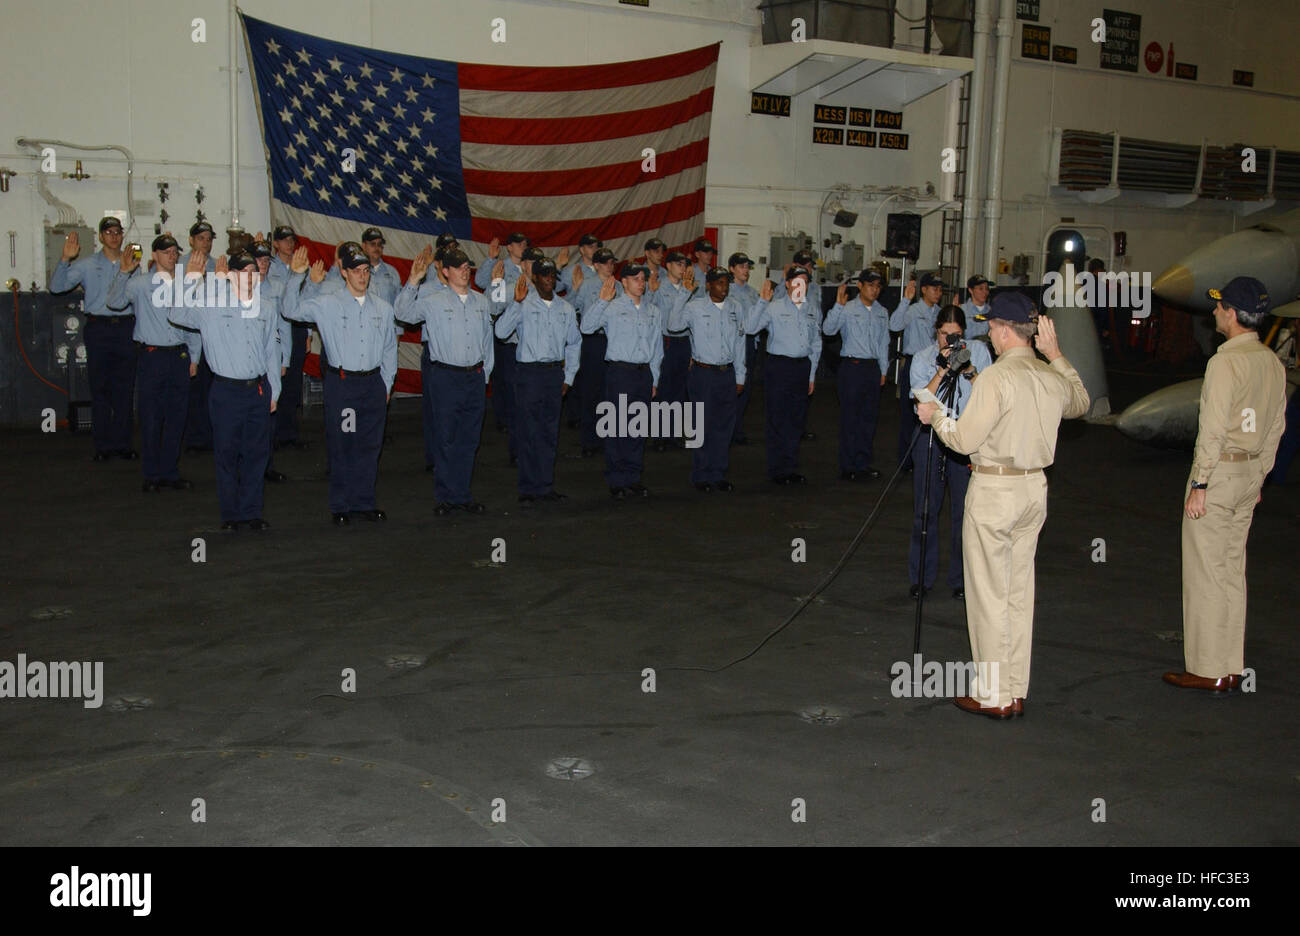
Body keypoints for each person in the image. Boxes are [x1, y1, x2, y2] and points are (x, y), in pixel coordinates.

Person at [916, 292, 1088, 718]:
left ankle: (994, 695)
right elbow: (1081, 403)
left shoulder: (996, 377)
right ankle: (1013, 688)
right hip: (1034, 490)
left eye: (991, 326)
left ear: (1007, 331)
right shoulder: (1050, 376)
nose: (987, 333)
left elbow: (963, 440)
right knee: (1017, 592)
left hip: (995, 490)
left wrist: (933, 415)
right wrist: (1057, 354)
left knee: (989, 595)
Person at [1165, 277, 1287, 693]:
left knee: (1204, 572)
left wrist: (1200, 482)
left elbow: (1212, 430)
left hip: (1218, 474)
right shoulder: (1271, 361)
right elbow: (1276, 426)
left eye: (1219, 306)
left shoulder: (1224, 362)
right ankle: (1230, 663)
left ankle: (1206, 668)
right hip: (1249, 473)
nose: (1214, 312)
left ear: (1232, 314)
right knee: (1232, 570)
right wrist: (1260, 477)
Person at [283, 244, 397, 525]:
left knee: (370, 445)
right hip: (344, 386)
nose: (362, 275)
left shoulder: (382, 309)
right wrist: (297, 277)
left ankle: (364, 502)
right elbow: (290, 310)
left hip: (372, 386)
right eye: (355, 270)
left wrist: (386, 385)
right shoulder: (328, 303)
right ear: (343, 272)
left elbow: (389, 350)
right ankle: (342, 504)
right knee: (345, 442)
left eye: (365, 270)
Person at [168, 251, 281, 532]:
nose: (250, 276)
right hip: (226, 391)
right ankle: (231, 515)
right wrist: (189, 280)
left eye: (254, 271)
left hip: (256, 389)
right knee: (227, 454)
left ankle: (252, 511)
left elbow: (271, 352)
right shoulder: (211, 305)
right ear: (230, 275)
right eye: (243, 271)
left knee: (257, 454)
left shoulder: (266, 307)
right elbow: (175, 313)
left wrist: (274, 392)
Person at [396, 248, 494, 515]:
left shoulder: (481, 302)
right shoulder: (433, 299)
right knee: (446, 437)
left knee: (469, 439)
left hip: (474, 376)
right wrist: (413, 282)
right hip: (446, 376)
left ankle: (462, 494)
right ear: (445, 271)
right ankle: (446, 497)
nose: (465, 270)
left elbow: (488, 342)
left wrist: (485, 374)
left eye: (467, 266)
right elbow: (403, 314)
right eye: (458, 266)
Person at [907, 306, 992, 600]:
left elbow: (991, 395)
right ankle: (921, 577)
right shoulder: (921, 358)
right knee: (926, 510)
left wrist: (968, 370)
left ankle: (961, 580)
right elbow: (920, 401)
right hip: (931, 436)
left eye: (956, 335)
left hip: (965, 436)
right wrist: (942, 369)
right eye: (945, 334)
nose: (950, 341)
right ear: (936, 331)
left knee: (965, 513)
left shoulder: (978, 353)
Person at [105, 234, 202, 492]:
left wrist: (194, 356)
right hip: (152, 355)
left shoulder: (187, 283)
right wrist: (123, 273)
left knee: (176, 416)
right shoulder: (140, 284)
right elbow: (113, 303)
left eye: (174, 251)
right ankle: (151, 474)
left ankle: (170, 472)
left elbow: (194, 324)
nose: (171, 255)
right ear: (155, 255)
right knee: (151, 416)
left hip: (179, 355)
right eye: (166, 251)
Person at [50, 217, 138, 461]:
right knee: (100, 388)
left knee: (124, 389)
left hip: (125, 328)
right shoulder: (87, 264)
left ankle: (123, 444)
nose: (113, 236)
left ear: (122, 235)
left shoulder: (132, 263)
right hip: (99, 329)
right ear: (100, 237)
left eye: (117, 232)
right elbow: (56, 287)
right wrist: (66, 259)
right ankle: (103, 446)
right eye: (108, 232)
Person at [497, 258, 582, 505]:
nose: (549, 279)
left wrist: (569, 376)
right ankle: (528, 487)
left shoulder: (565, 308)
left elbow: (575, 343)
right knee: (528, 431)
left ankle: (545, 486)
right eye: (544, 275)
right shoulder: (523, 304)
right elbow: (501, 333)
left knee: (548, 432)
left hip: (554, 374)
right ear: (534, 277)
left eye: (552, 275)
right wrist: (516, 304)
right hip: (529, 374)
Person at [580, 263, 662, 498]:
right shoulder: (612, 307)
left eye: (643, 279)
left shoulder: (653, 311)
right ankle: (617, 479)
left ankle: (633, 477)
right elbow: (587, 327)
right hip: (620, 372)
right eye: (635, 278)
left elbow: (657, 349)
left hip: (643, 372)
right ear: (623, 282)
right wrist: (602, 301)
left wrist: (654, 379)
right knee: (617, 427)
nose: (641, 282)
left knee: (637, 427)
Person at [667, 267, 746, 491]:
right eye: (719, 283)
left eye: (726, 283)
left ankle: (718, 473)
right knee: (701, 425)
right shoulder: (694, 307)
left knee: (724, 425)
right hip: (703, 373)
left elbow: (740, 344)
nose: (724, 287)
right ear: (708, 285)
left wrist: (740, 375)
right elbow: (673, 326)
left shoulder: (736, 308)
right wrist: (684, 293)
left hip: (727, 373)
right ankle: (701, 475)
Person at [746, 266, 821, 484]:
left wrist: (812, 374)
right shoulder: (774, 307)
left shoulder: (812, 309)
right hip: (779, 367)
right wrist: (761, 302)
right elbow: (750, 329)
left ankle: (790, 466)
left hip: (802, 367)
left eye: (805, 281)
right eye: (796, 280)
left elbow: (816, 343)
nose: (800, 285)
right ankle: (777, 468)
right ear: (787, 284)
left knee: (796, 420)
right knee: (777, 418)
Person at [823, 270, 891, 482]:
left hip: (871, 368)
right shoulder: (848, 308)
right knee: (850, 418)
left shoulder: (882, 312)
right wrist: (837, 307)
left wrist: (883, 369)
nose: (875, 290)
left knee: (868, 418)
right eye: (870, 285)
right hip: (852, 366)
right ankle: (848, 465)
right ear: (860, 286)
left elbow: (883, 343)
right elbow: (828, 330)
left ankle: (862, 463)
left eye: (878, 286)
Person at [476, 232, 528, 440]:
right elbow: (482, 284)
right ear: (510, 247)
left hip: (524, 330)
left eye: (525, 243)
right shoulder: (501, 266)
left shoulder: (529, 267)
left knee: (519, 378)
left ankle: (517, 414)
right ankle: (503, 417)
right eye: (519, 243)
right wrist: (491, 264)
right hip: (504, 327)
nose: (523, 246)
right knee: (504, 377)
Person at [570, 247, 621, 457]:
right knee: (591, 391)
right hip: (593, 341)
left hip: (614, 340)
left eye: (612, 262)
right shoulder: (587, 285)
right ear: (597, 265)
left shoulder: (620, 286)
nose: (610, 266)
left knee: (611, 392)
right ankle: (590, 441)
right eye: (606, 262)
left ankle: (608, 438)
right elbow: (575, 308)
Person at [891, 271, 944, 471]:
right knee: (910, 415)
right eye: (934, 289)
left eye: (940, 289)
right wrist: (905, 300)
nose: (938, 293)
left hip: (935, 366)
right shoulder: (913, 310)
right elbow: (894, 325)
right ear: (924, 290)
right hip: (914, 364)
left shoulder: (940, 313)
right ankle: (907, 460)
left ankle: (931, 457)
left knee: (936, 411)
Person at [267, 225, 309, 450]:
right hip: (274, 327)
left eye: (291, 240)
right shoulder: (267, 266)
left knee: (292, 382)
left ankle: (289, 433)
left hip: (296, 326)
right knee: (274, 379)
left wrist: (309, 332)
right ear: (275, 244)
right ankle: (271, 433)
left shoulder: (301, 265)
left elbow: (308, 296)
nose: (289, 244)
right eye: (284, 240)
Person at [651, 251, 695, 451]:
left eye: (685, 263)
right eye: (678, 263)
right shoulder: (659, 288)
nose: (683, 267)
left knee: (680, 389)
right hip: (666, 341)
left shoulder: (692, 289)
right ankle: (660, 435)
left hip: (684, 342)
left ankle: (675, 433)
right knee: (663, 388)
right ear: (668, 266)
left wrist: (694, 351)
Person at [727, 252, 761, 445]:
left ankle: (737, 427)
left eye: (747, 267)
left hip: (749, 342)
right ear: (732, 269)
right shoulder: (726, 291)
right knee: (731, 386)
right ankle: (727, 427)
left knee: (745, 387)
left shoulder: (752, 293)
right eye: (741, 267)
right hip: (732, 342)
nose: (745, 270)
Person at [359, 227, 402, 305]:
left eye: (379, 244)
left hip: (387, 316)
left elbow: (400, 304)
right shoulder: (357, 271)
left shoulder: (392, 272)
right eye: (372, 244)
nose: (377, 248)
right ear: (364, 246)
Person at [960, 274, 991, 340]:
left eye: (987, 289)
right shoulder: (962, 311)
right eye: (981, 289)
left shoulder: (991, 311)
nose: (985, 292)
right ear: (971, 290)